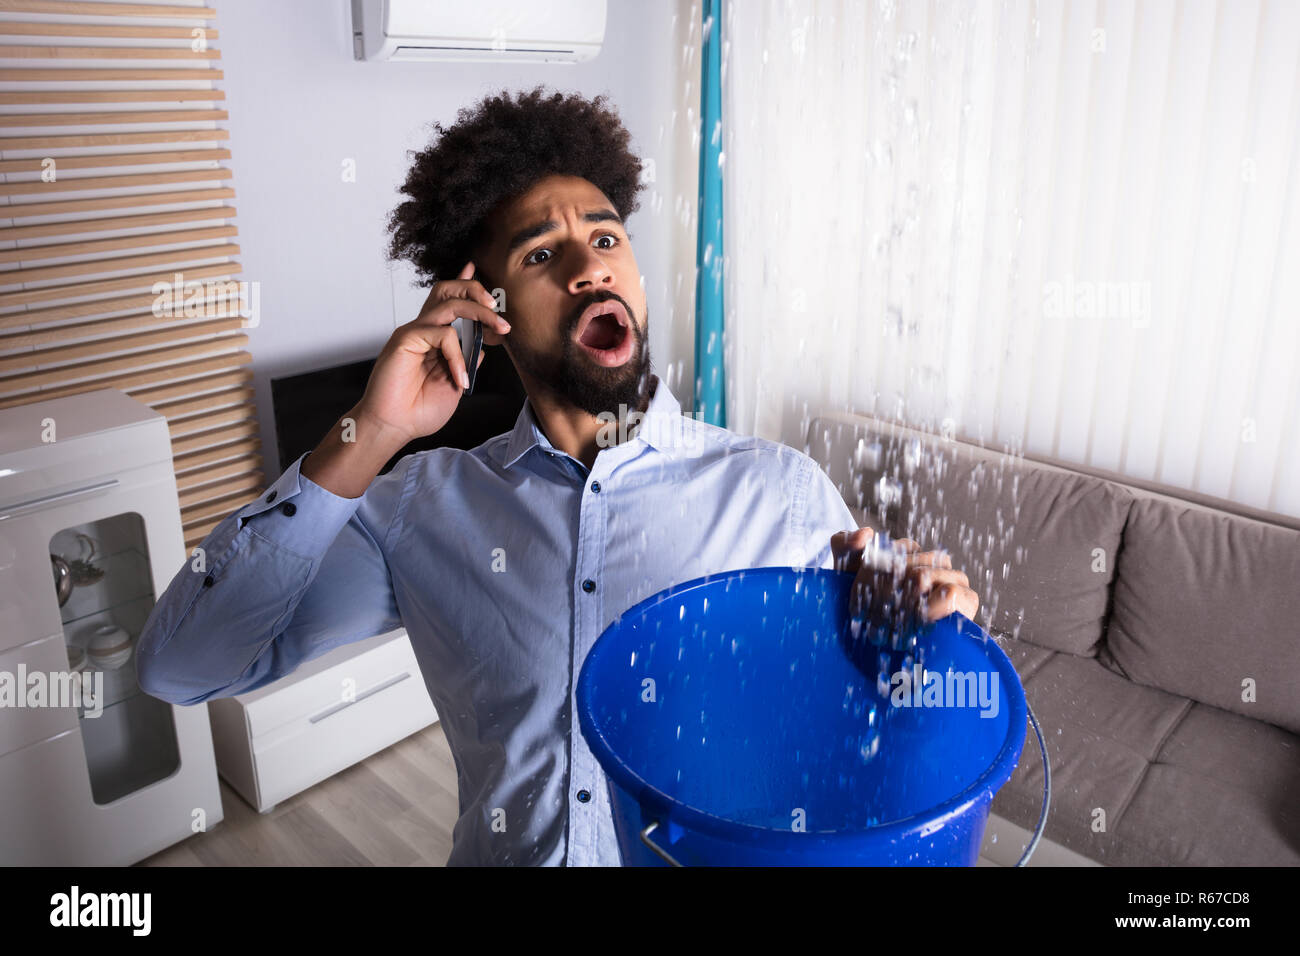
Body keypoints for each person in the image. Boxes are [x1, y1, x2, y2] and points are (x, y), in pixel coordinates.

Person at [136, 86, 979, 865]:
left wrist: (922, 644)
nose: (590, 266)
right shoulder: (419, 510)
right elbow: (182, 667)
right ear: (484, 311)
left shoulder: (781, 492)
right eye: (543, 255)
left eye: (606, 238)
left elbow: (862, 733)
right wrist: (372, 431)